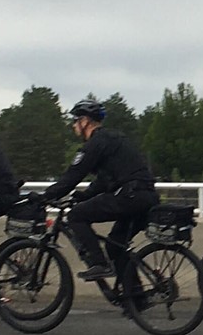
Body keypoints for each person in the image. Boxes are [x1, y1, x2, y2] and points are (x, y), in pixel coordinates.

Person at [40, 98, 157, 285]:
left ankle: (98, 263)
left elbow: (73, 175)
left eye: (75, 120)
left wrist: (46, 196)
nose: (73, 126)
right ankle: (135, 299)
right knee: (115, 246)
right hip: (146, 196)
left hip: (129, 196)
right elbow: (104, 180)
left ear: (85, 121)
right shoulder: (114, 139)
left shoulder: (95, 143)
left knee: (76, 216)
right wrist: (84, 196)